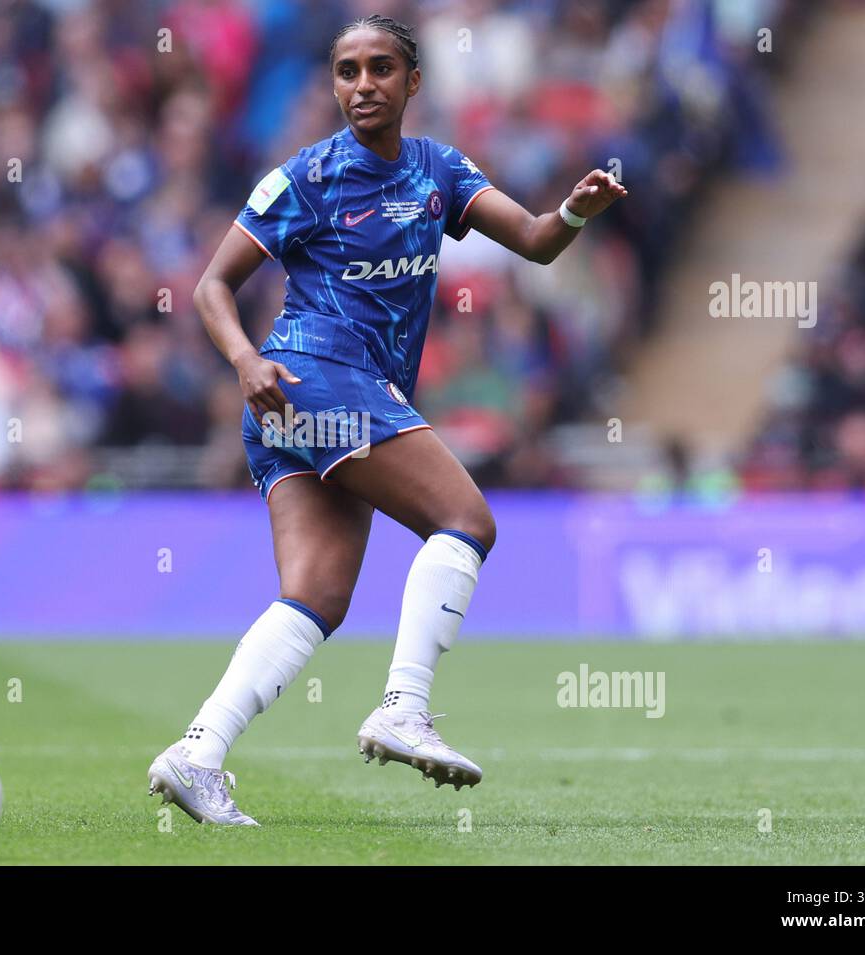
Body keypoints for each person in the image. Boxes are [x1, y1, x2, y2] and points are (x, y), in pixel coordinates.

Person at [148, 14, 626, 825]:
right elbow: (209, 288)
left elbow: (539, 243)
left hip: (314, 406)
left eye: (378, 69)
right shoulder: (305, 176)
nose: (361, 84)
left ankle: (197, 751)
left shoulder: (441, 171)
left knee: (315, 597)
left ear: (413, 83)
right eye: (345, 71)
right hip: (311, 382)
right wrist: (244, 361)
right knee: (466, 519)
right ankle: (403, 705)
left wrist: (575, 211)